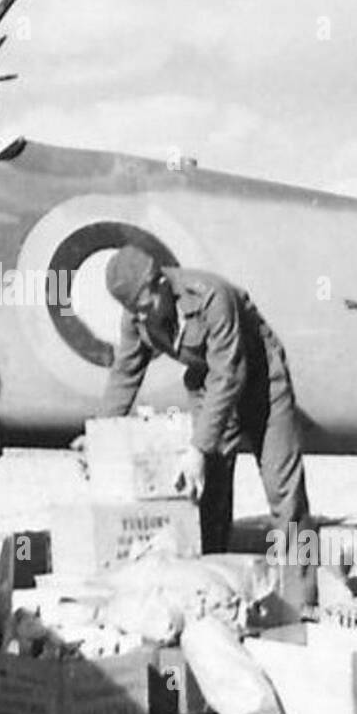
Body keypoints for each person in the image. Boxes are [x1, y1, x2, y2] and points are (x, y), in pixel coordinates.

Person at [97, 245, 311, 580]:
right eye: (133, 312)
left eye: (144, 308)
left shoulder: (212, 296)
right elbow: (125, 373)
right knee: (207, 490)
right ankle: (214, 586)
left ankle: (300, 593)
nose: (141, 318)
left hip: (260, 381)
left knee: (284, 492)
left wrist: (198, 448)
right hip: (207, 384)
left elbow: (230, 374)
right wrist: (100, 438)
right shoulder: (137, 314)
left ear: (161, 285)